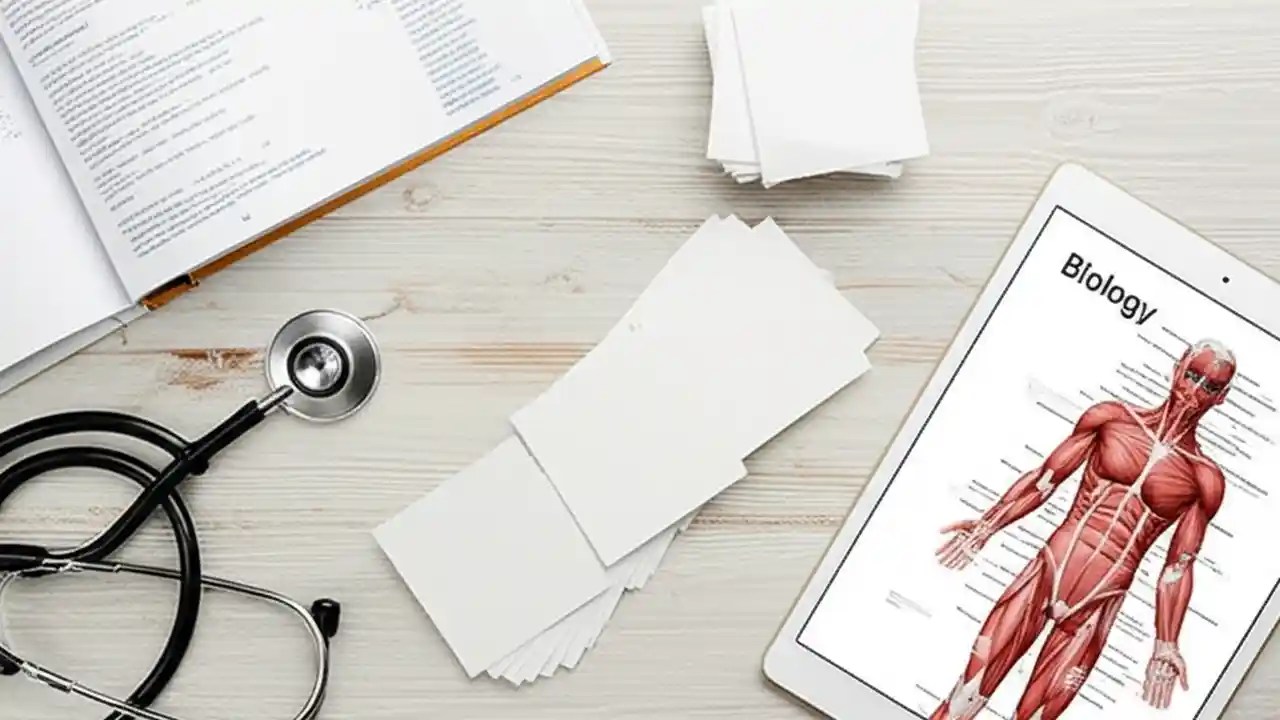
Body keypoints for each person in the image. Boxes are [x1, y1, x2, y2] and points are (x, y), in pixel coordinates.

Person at [930, 340, 1236, 720]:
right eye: (1192, 375)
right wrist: (989, 523)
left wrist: (1166, 642)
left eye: (1209, 386)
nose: (1194, 391)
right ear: (1176, 369)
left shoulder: (1204, 477)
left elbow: (1178, 564)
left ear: (1221, 398)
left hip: (1099, 602)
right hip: (1048, 571)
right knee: (961, 701)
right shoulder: (1111, 419)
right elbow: (1045, 480)